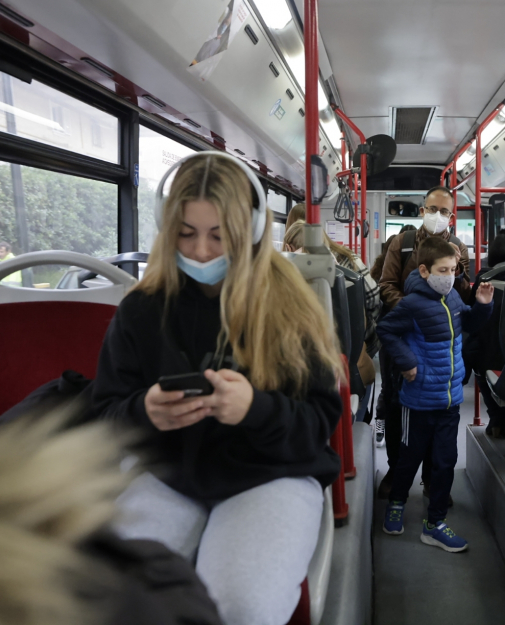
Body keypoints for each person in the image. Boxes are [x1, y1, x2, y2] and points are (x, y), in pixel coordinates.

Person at [91, 152, 343, 625]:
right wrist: (145, 412)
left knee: (240, 610)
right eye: (186, 234)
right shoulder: (142, 310)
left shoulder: (290, 308)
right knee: (115, 600)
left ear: (249, 230)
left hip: (272, 475)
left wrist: (257, 409)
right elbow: (104, 414)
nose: (202, 252)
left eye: (218, 234)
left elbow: (318, 425)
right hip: (168, 472)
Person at [0, 412, 223, 625]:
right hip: (164, 477)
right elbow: (113, 410)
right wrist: (145, 408)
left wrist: (254, 409)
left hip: (257, 474)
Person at [376, 237, 493, 552]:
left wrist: (482, 305)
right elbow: (385, 331)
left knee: (445, 462)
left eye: (454, 269)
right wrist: (407, 362)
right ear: (425, 271)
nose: (450, 276)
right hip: (418, 400)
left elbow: (467, 323)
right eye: (444, 270)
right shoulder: (412, 304)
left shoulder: (453, 297)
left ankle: (435, 523)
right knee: (408, 459)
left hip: (450, 399)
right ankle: (397, 503)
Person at [377, 187, 471, 497]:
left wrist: (463, 279)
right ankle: (396, 468)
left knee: (439, 406)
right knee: (396, 403)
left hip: (440, 342)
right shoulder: (401, 244)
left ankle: (431, 477)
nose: (437, 216)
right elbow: (387, 285)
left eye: (444, 212)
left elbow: (461, 295)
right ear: (422, 211)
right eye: (433, 209)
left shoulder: (458, 248)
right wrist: (414, 311)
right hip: (405, 337)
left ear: (451, 217)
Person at [282, 220, 382, 382]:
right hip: (357, 343)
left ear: (289, 248)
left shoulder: (289, 272)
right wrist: (365, 333)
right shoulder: (350, 259)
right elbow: (373, 297)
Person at [462, 227, 505, 438]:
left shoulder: (484, 280)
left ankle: (498, 418)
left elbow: (474, 323)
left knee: (476, 350)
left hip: (489, 358)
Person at [370, 223, 418, 447]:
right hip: (389, 326)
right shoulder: (385, 265)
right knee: (389, 385)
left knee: (395, 384)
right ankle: (382, 420)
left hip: (403, 327)